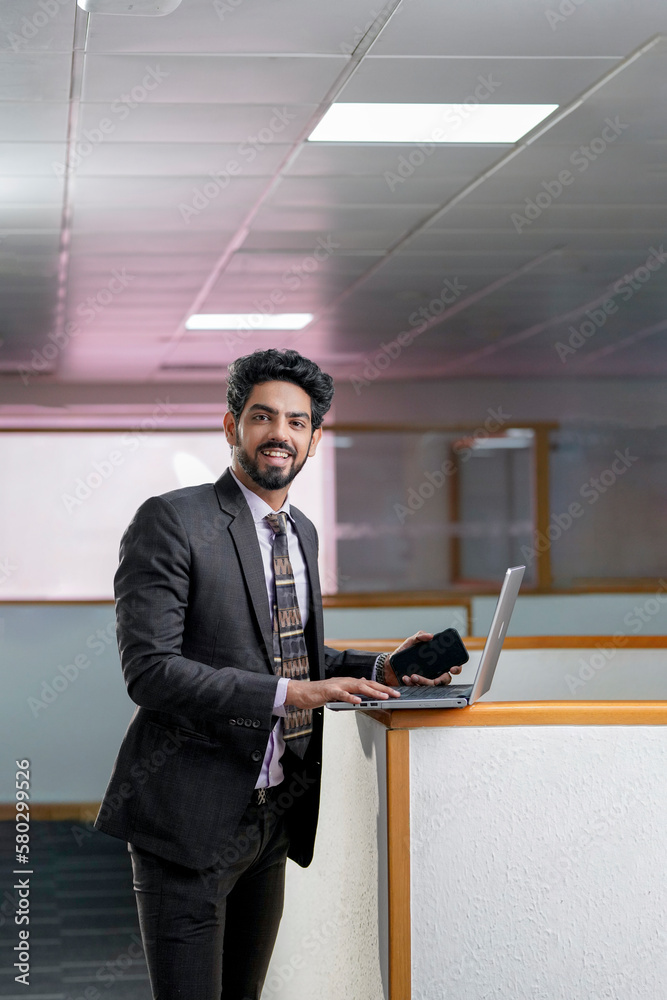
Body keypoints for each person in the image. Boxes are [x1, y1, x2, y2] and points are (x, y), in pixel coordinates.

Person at [95, 348, 460, 1000]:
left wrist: (386, 666)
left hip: (271, 816)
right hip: (188, 817)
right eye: (262, 417)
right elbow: (151, 671)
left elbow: (289, 653)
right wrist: (292, 694)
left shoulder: (301, 532)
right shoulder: (172, 520)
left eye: (297, 422)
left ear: (315, 438)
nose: (279, 434)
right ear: (231, 424)